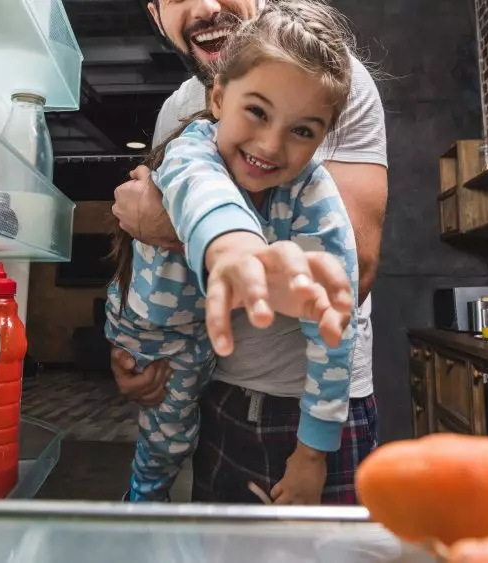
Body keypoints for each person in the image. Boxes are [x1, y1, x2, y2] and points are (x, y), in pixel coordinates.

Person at [112, 0, 388, 504]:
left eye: (303, 130)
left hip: (312, 403)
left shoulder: (329, 82)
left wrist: (313, 450)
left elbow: (349, 286)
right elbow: (200, 195)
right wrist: (135, 349)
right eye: (255, 111)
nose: (271, 145)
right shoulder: (186, 128)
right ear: (218, 98)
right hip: (212, 385)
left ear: (324, 132)